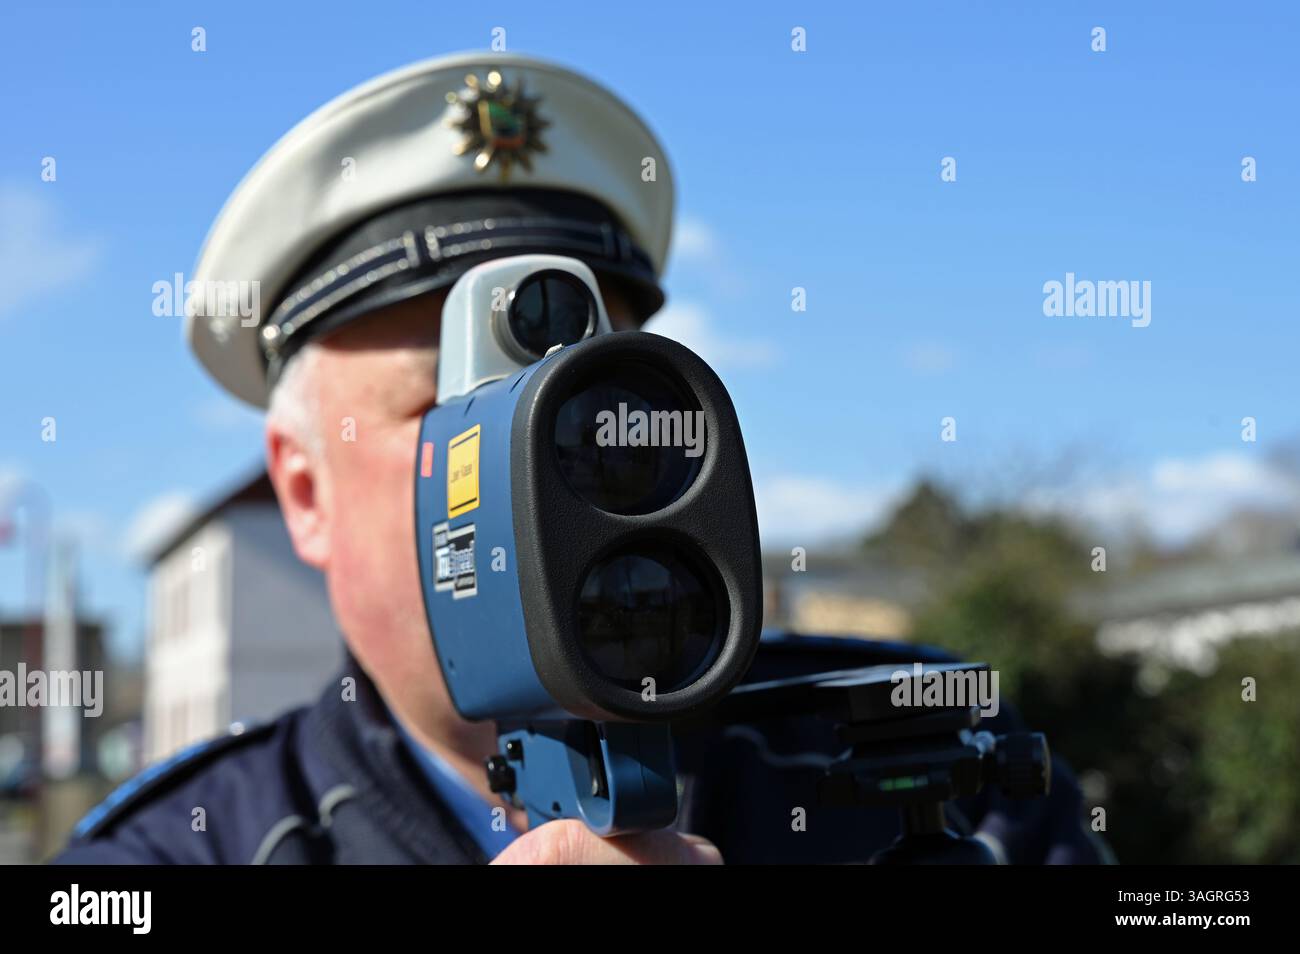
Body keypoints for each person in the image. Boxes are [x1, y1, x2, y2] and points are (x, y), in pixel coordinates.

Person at [55, 52, 1106, 865]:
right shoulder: (174, 853)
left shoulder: (916, 750)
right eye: (462, 410)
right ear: (303, 492)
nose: (560, 464)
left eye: (590, 397)